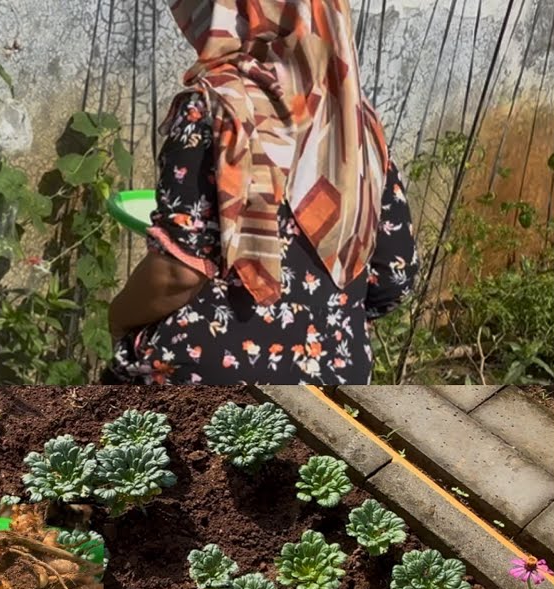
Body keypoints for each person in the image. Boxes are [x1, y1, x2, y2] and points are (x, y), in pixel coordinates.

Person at [106, 0, 418, 384]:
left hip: (206, 377)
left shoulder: (216, 109)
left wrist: (117, 317)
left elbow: (178, 275)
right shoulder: (355, 126)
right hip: (337, 383)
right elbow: (394, 277)